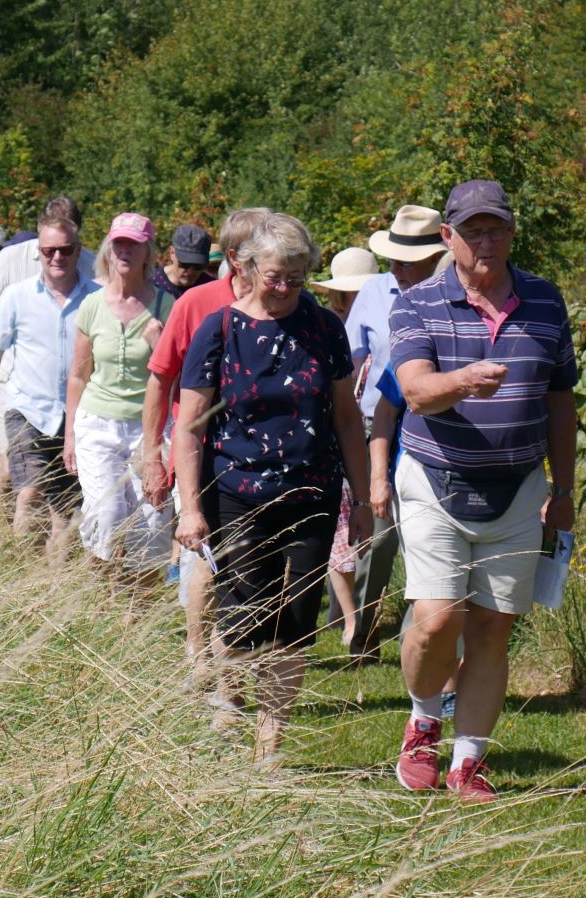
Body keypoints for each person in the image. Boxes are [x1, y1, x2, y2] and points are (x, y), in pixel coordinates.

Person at [389, 180, 576, 801]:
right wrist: (465, 381)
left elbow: (561, 401)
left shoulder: (545, 300)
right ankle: (423, 719)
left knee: (494, 626)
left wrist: (564, 487)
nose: (486, 242)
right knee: (438, 619)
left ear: (512, 232)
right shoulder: (417, 302)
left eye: (496, 229)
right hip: (434, 477)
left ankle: (467, 760)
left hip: (519, 487)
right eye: (473, 232)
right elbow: (415, 392)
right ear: (448, 237)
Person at [171, 212, 371, 763]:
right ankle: (229, 701)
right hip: (236, 492)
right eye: (275, 277)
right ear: (248, 268)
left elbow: (346, 417)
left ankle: (269, 747)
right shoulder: (220, 330)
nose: (284, 289)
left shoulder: (325, 329)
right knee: (243, 615)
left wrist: (360, 498)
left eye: (296, 279)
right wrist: (190, 509)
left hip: (312, 492)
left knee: (297, 619)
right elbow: (188, 427)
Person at [141, 206, 268, 686]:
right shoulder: (196, 303)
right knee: (207, 558)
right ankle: (198, 653)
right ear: (236, 257)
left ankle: (232, 656)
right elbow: (160, 379)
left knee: (251, 560)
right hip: (201, 453)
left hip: (263, 456)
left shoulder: (286, 303)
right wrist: (152, 457)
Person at [343, 204, 447, 657]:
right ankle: (362, 630)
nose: (397, 268)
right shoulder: (374, 291)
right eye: (393, 259)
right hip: (378, 426)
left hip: (435, 429)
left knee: (424, 538)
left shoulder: (449, 299)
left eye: (407, 260)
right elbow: (351, 359)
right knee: (380, 535)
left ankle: (419, 639)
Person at [0, 213, 97, 553]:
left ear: (78, 250)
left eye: (65, 250)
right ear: (38, 252)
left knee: (65, 509)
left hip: (78, 416)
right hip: (28, 410)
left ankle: (50, 579)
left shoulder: (96, 298)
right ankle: (19, 568)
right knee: (30, 492)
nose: (57, 257)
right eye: (48, 250)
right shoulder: (17, 296)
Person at [0, 198, 96, 489]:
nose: (58, 254)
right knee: (12, 475)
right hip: (10, 382)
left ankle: (29, 514)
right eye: (49, 246)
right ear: (41, 228)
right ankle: (12, 514)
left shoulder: (91, 265)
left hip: (74, 397)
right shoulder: (11, 259)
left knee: (60, 490)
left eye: (67, 243)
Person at [63, 214, 172, 569]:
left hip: (149, 428)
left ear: (147, 252)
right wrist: (70, 436)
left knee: (151, 525)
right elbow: (78, 376)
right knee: (106, 515)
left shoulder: (166, 306)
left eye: (134, 245)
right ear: (109, 250)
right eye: (119, 243)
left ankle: (135, 603)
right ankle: (101, 594)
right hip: (97, 423)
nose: (125, 251)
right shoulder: (92, 305)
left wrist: (160, 344)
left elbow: (180, 378)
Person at [312, 245, 380, 645]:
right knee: (343, 525)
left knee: (361, 522)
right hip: (334, 434)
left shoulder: (381, 321)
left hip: (370, 431)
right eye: (344, 292)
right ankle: (351, 619)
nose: (347, 300)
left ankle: (347, 614)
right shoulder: (323, 326)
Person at [152, 223, 213, 300]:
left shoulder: (211, 288)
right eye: (185, 264)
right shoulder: (151, 284)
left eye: (198, 266)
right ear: (172, 253)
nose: (190, 272)